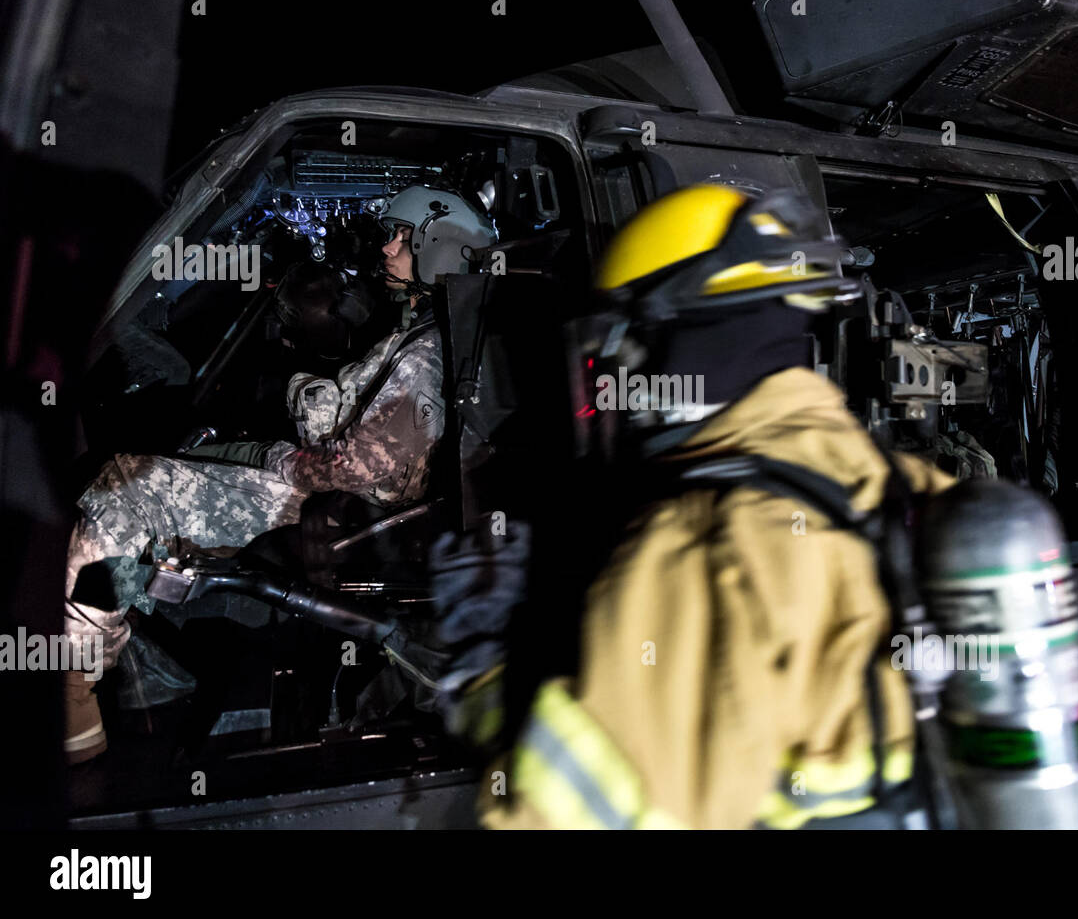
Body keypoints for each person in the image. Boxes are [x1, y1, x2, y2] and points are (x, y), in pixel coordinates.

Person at [478, 183, 953, 829]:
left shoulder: (704, 543)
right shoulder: (910, 487)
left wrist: (486, 673)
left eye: (626, 349)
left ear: (679, 341)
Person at [63, 184, 496, 764]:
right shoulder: (418, 331)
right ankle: (151, 676)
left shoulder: (428, 354)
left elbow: (363, 472)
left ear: (440, 249)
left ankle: (71, 694)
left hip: (331, 504)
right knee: (181, 463)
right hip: (321, 484)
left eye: (402, 237)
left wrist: (290, 426)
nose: (387, 248)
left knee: (126, 489)